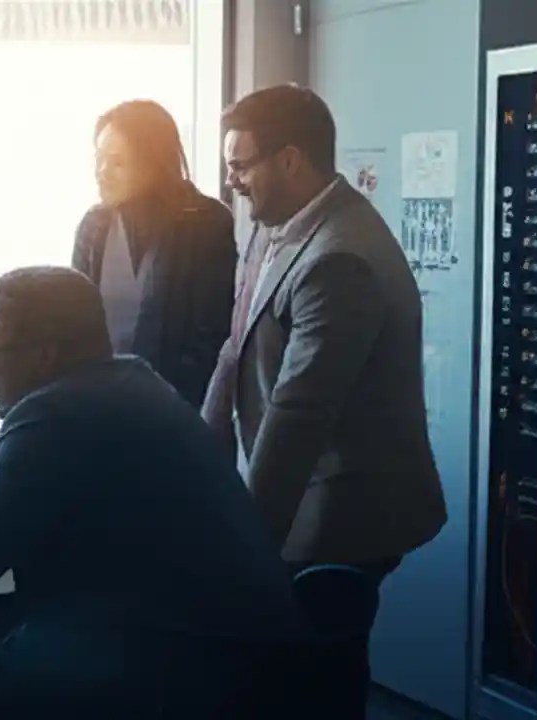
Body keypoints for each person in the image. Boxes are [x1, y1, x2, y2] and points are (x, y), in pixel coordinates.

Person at [0, 267, 306, 715]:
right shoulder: (129, 383)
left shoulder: (51, 415)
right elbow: (14, 516)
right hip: (233, 645)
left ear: (44, 354)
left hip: (179, 659)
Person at [200, 85, 447, 718]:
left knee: (315, 680)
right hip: (298, 499)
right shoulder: (273, 227)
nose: (232, 182)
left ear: (289, 160)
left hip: (343, 514)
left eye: (241, 165)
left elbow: (300, 412)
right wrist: (200, 474)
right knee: (287, 674)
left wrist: (245, 546)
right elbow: (234, 352)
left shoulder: (340, 257)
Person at [72, 100, 235, 407]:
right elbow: (77, 324)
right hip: (100, 403)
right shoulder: (95, 226)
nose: (102, 172)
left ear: (153, 163)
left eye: (117, 162)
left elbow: (211, 335)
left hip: (176, 407)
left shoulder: (204, 223)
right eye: (99, 159)